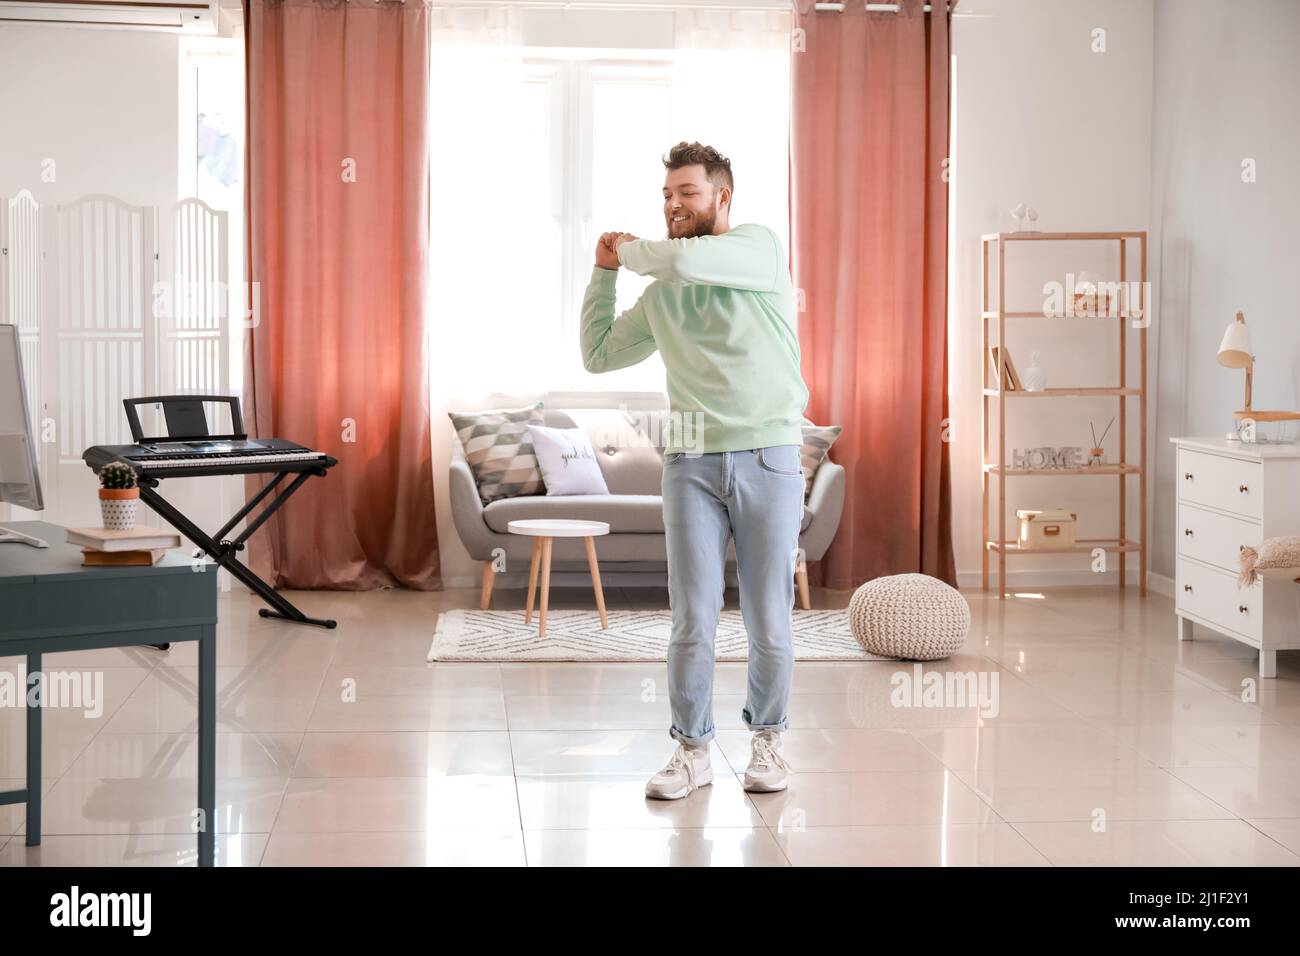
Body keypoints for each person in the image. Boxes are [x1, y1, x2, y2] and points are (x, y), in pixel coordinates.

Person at [580, 141, 810, 800]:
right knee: (692, 618)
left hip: (768, 454)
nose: (673, 205)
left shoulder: (758, 248)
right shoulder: (663, 295)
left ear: (722, 197)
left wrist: (629, 251)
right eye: (666, 195)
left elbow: (683, 258)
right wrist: (604, 273)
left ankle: (768, 743)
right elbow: (597, 355)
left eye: (687, 192)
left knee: (768, 617)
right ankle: (692, 751)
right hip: (688, 460)